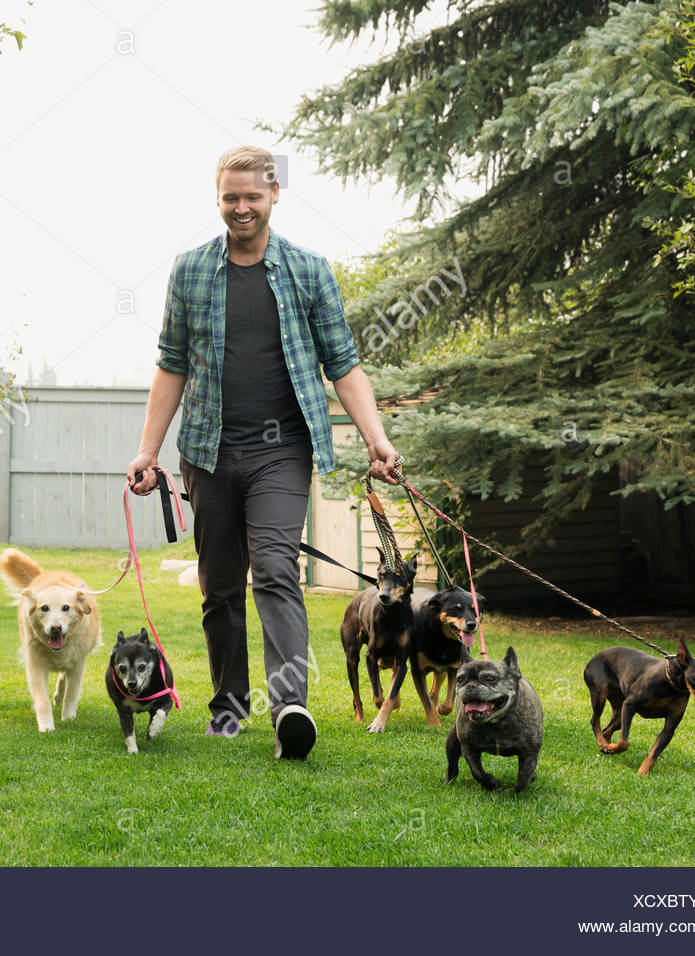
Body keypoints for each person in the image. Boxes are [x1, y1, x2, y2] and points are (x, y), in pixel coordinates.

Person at [126, 145, 400, 760]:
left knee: (276, 569)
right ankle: (228, 707)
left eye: (253, 195)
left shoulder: (308, 270)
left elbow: (344, 364)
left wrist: (378, 438)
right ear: (217, 200)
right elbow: (171, 365)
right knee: (220, 586)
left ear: (276, 195)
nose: (241, 207)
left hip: (282, 450)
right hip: (208, 451)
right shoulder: (191, 271)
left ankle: (289, 707)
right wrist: (148, 451)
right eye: (231, 197)